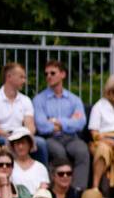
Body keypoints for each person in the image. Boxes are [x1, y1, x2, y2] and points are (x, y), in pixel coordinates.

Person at [33, 60, 91, 190]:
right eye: (46, 73)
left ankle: (77, 191)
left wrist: (56, 121)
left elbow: (80, 123)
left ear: (63, 74)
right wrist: (68, 121)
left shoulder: (74, 99)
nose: (49, 76)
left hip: (72, 138)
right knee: (59, 153)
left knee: (82, 151)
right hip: (51, 138)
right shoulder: (39, 99)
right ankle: (57, 191)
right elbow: (42, 126)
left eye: (53, 73)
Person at [0, 62, 45, 164]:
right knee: (4, 142)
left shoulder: (26, 100)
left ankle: (42, 175)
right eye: (21, 77)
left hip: (23, 135)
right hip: (2, 136)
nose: (24, 81)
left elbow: (30, 124)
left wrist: (25, 135)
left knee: (41, 143)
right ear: (9, 76)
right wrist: (7, 134)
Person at [6, 128, 49, 194]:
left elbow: (44, 191)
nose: (20, 147)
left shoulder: (40, 167)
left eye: (23, 143)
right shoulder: (8, 166)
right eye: (17, 143)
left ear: (30, 145)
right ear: (13, 146)